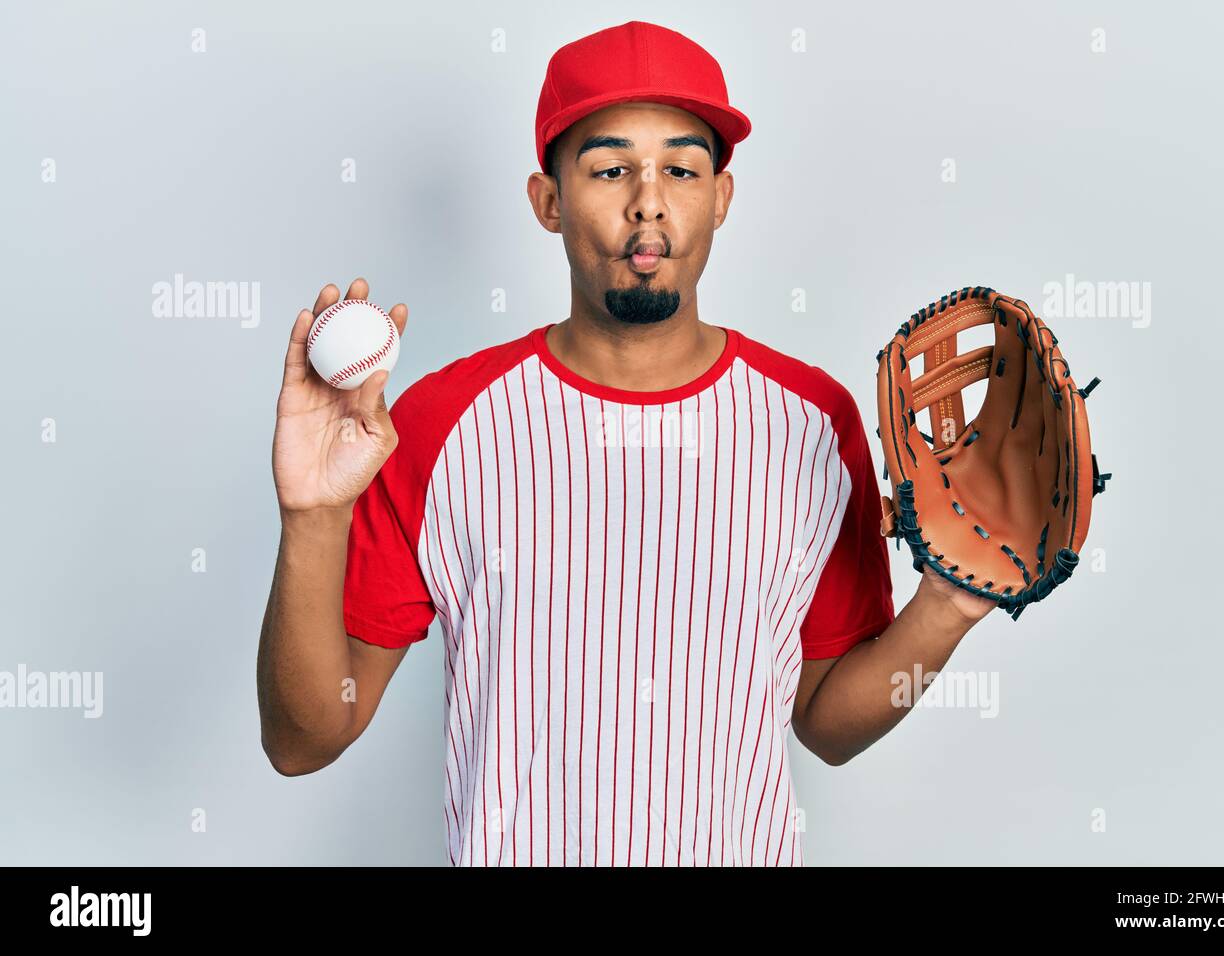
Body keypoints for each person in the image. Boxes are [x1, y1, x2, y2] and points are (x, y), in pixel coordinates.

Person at [257, 20, 992, 867]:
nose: (649, 199)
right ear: (548, 201)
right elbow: (303, 740)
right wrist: (312, 515)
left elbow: (826, 724)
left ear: (720, 197)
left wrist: (948, 604)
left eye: (681, 168)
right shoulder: (436, 422)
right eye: (610, 169)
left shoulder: (812, 424)